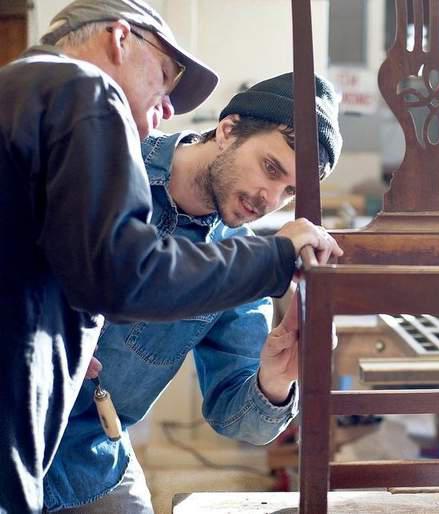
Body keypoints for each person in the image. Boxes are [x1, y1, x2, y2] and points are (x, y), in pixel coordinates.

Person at [0, 0, 341, 511]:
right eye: (270, 168)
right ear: (227, 129)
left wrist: (277, 376)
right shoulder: (100, 140)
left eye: (289, 192)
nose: (271, 200)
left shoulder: (235, 262)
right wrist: (56, 335)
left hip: (90, 458)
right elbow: (112, 273)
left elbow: (239, 419)